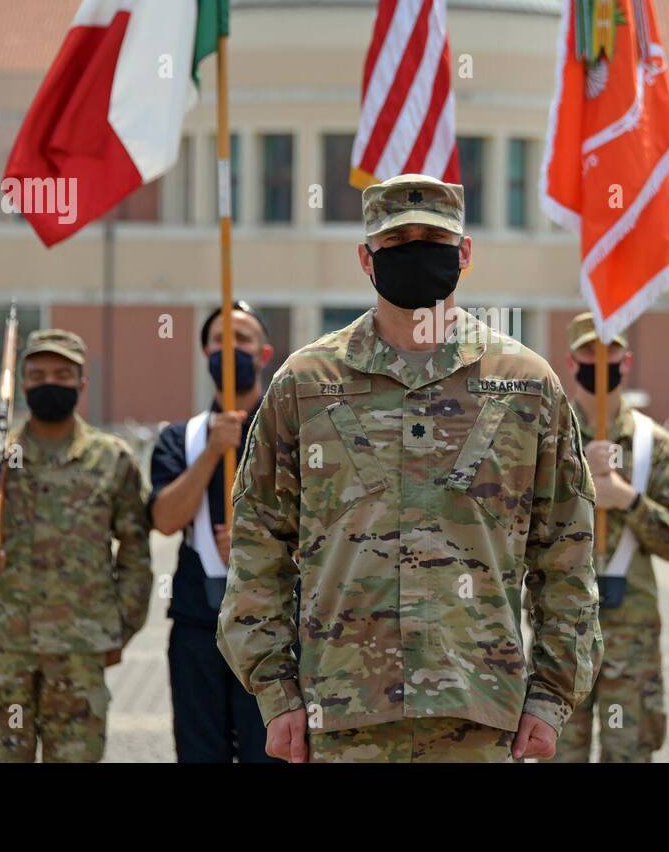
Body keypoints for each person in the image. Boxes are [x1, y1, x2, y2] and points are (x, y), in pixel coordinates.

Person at [217, 173, 601, 763]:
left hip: (480, 711)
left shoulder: (527, 385)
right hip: (340, 713)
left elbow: (566, 554)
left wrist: (550, 700)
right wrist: (276, 693)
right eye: (398, 243)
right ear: (366, 259)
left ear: (465, 253)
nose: (417, 253)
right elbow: (257, 546)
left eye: (433, 240)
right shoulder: (306, 384)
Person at [0, 329, 153, 762]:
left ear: (81, 385)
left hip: (79, 654)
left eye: (63, 374)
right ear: (22, 383)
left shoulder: (112, 460)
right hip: (4, 651)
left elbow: (136, 553)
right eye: (38, 374)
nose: (50, 383)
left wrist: (122, 627)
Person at [548, 313, 669, 763]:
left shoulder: (654, 442)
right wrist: (581, 486)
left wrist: (629, 501)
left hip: (632, 636)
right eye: (590, 351)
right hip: (562, 629)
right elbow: (517, 529)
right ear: (572, 361)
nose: (601, 361)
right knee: (558, 753)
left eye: (610, 353)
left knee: (628, 752)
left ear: (626, 361)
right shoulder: (548, 434)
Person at [149, 300, 282, 762]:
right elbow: (165, 520)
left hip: (274, 629)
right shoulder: (179, 439)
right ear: (204, 354)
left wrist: (255, 547)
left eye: (241, 340)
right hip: (197, 623)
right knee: (199, 752)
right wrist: (211, 452)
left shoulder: (293, 433)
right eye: (218, 342)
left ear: (264, 354)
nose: (230, 350)